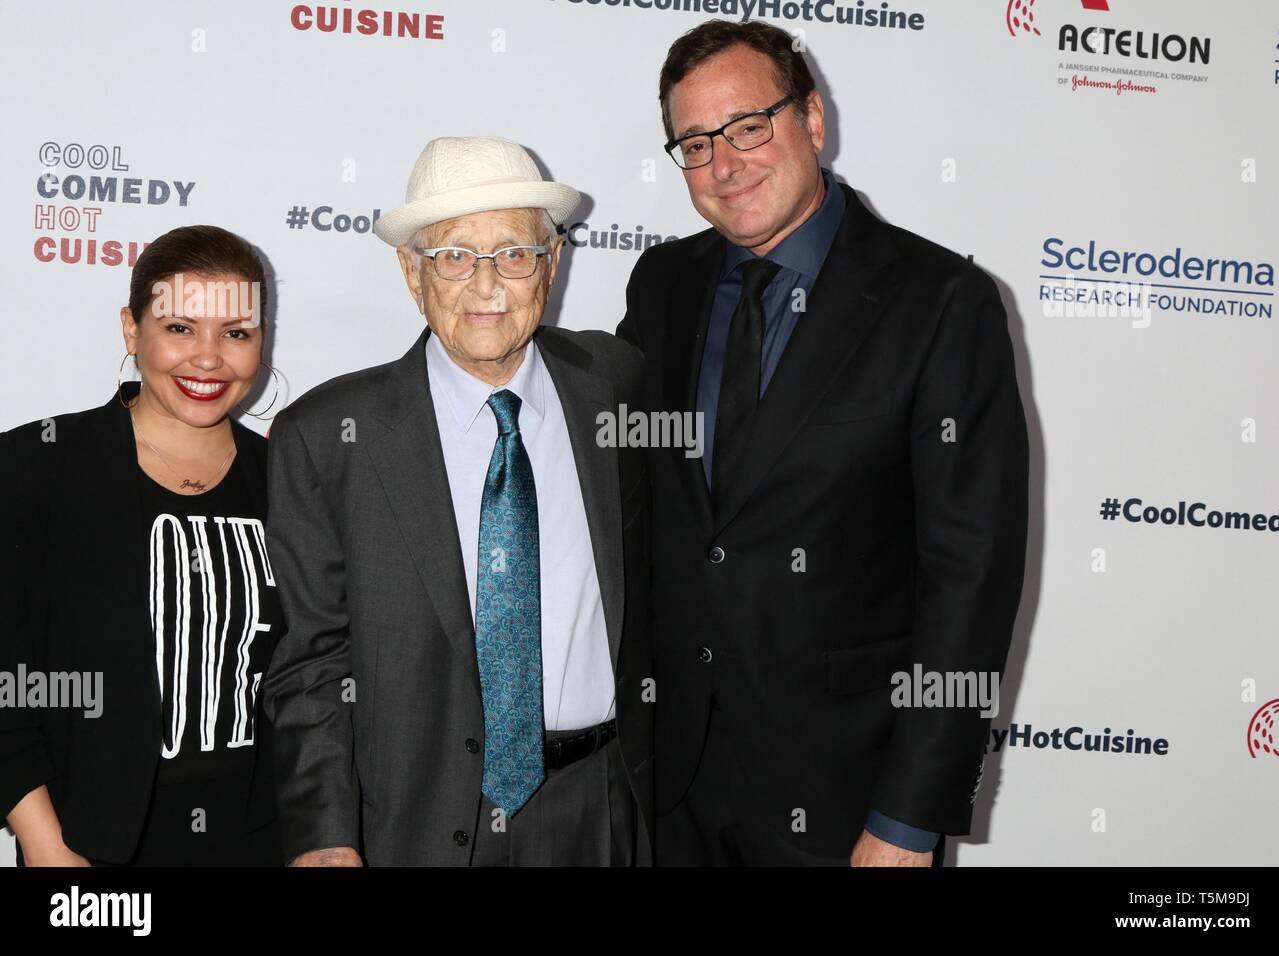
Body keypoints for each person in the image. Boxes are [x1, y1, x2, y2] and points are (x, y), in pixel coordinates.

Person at [617, 20, 1030, 866]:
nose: (724, 165)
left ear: (812, 119)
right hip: (667, 796)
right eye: (694, 144)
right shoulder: (664, 285)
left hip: (848, 803)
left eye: (748, 128)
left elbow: (970, 580)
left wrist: (909, 822)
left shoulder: (941, 302)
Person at [262, 135, 653, 866]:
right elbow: (309, 663)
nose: (487, 286)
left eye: (513, 253)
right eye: (454, 257)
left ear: (552, 264)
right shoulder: (326, 438)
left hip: (599, 813)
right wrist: (324, 837)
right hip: (412, 824)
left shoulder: (617, 384)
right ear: (413, 273)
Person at [0, 225, 284, 866]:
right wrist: (48, 848)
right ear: (133, 330)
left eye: (235, 333)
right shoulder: (37, 466)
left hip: (263, 841)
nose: (208, 359)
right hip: (88, 848)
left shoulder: (291, 481)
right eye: (180, 328)